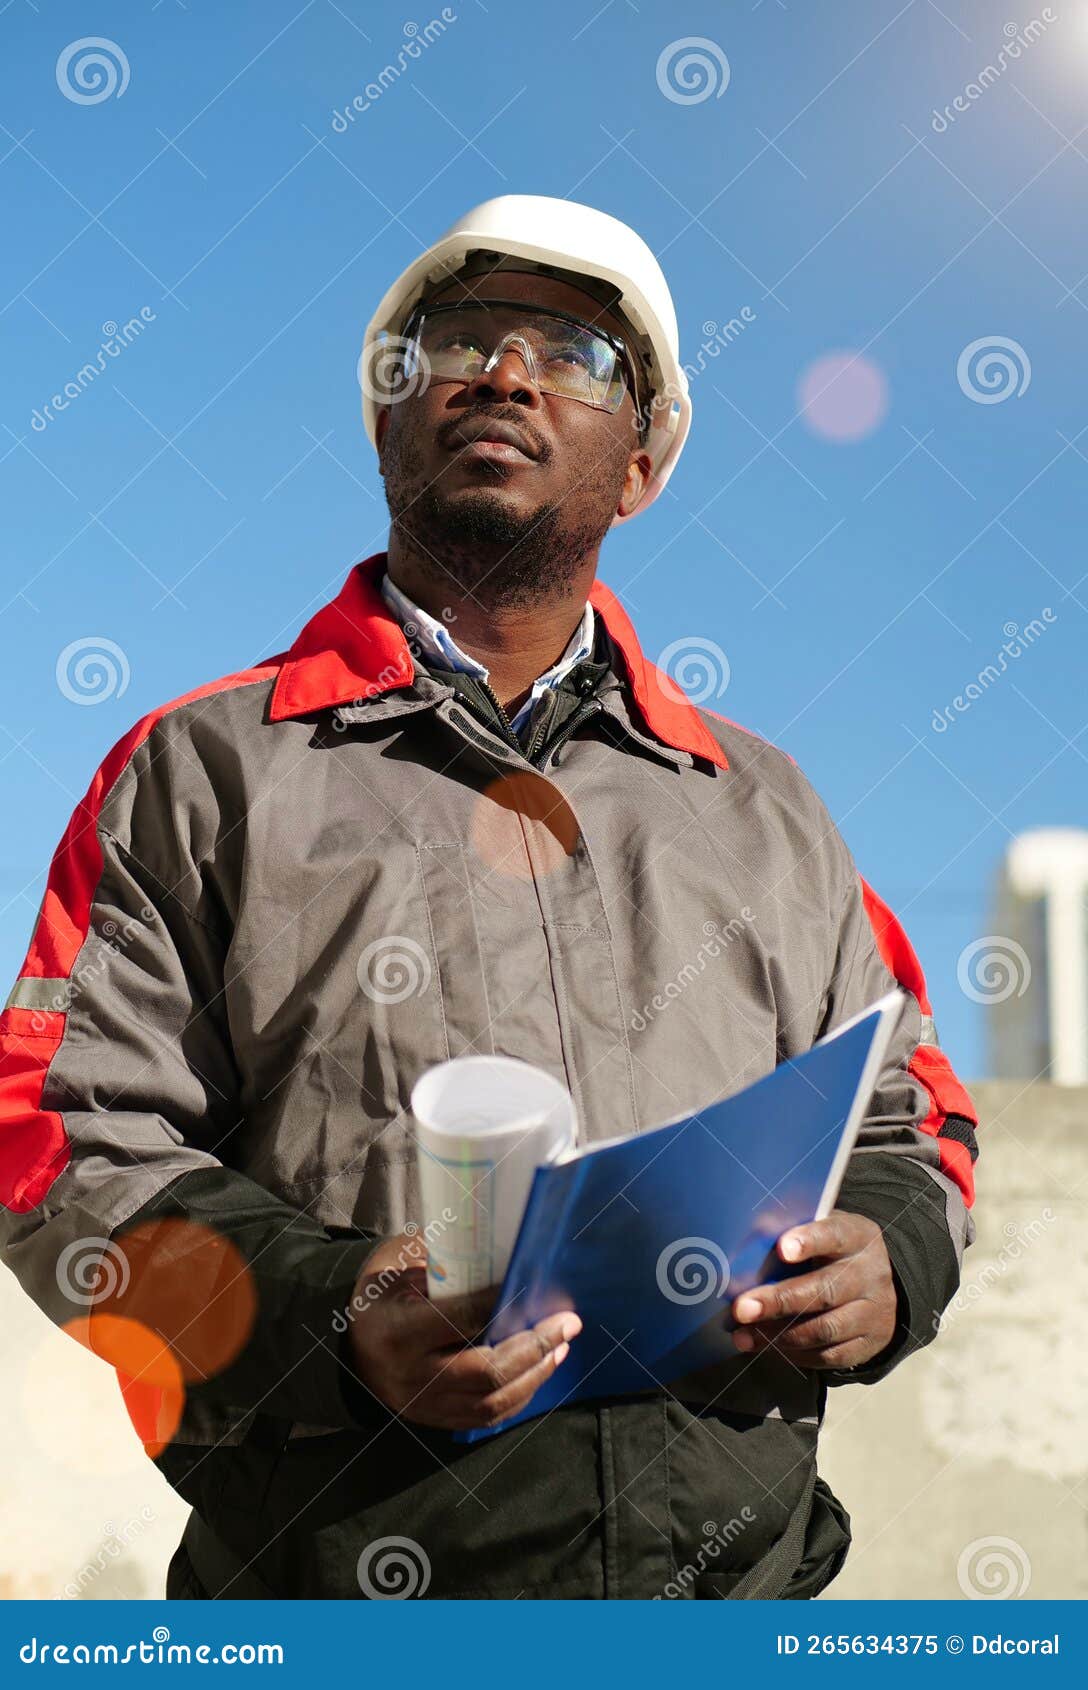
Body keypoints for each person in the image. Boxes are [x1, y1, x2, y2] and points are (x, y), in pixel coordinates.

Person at [0, 195, 978, 1601]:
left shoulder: (767, 810)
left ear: (641, 464)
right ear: (386, 420)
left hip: (734, 1604)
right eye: (458, 340)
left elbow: (916, 1115)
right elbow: (56, 1141)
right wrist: (331, 1316)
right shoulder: (201, 771)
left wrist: (891, 1256)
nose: (507, 374)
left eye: (577, 350)